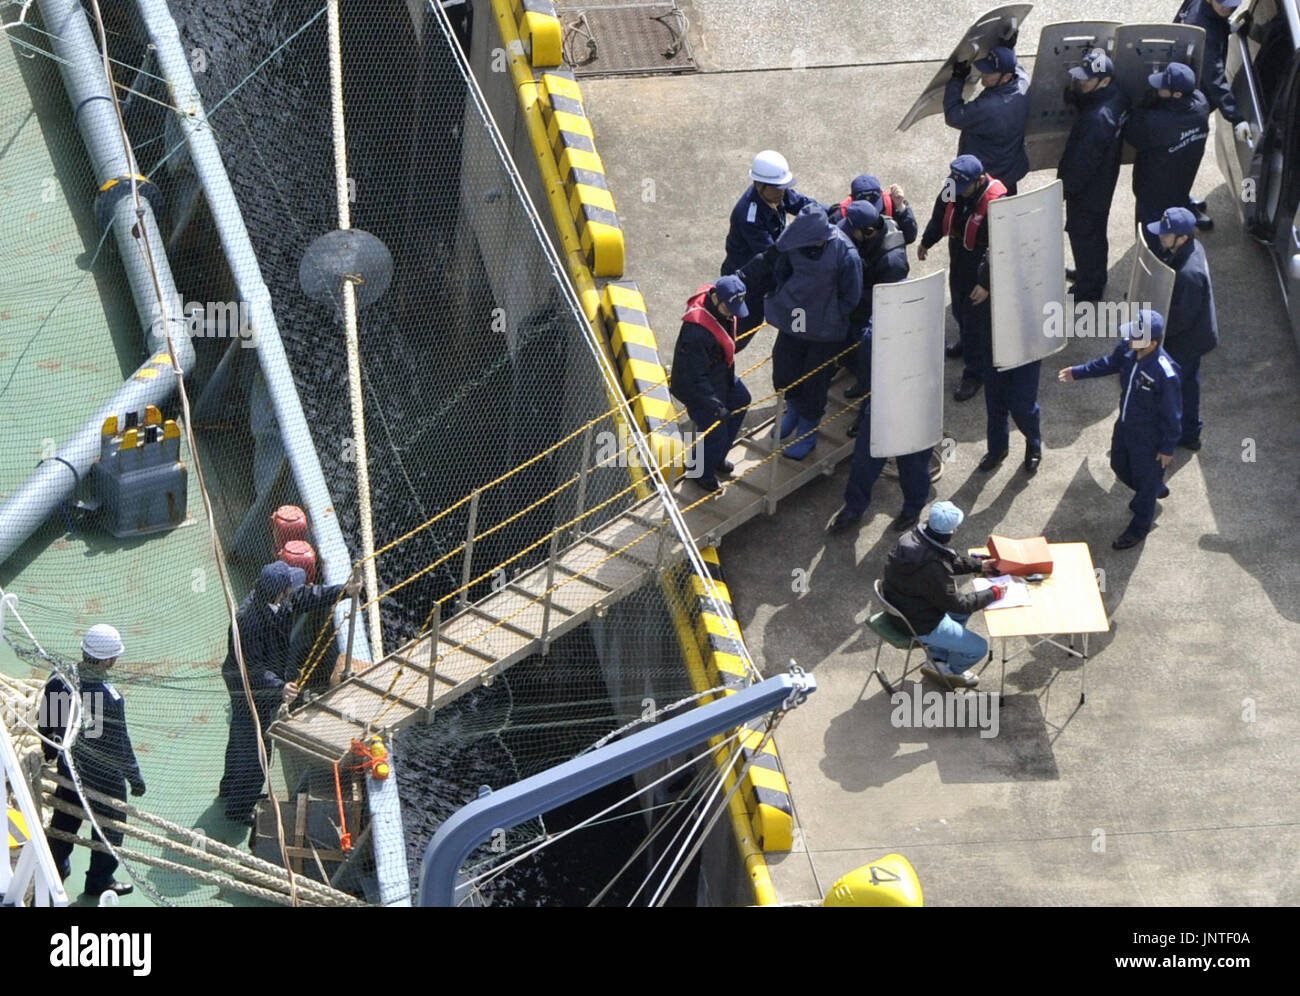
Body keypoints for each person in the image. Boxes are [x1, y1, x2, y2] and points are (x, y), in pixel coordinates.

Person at [220, 561, 359, 824]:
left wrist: (344, 591)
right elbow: (250, 668)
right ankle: (239, 809)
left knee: (240, 738)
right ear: (279, 591)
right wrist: (278, 686)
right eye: (290, 587)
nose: (294, 590)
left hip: (263, 684)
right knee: (257, 750)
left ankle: (229, 789)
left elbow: (308, 595)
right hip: (248, 690)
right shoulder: (247, 621)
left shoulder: (280, 599)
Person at [744, 203, 862, 460]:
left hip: (825, 331)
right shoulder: (794, 243)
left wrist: (829, 313)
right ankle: (793, 410)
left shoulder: (845, 253)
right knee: (785, 367)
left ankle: (808, 429)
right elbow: (780, 270)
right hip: (795, 320)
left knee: (815, 380)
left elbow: (851, 296)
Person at [1058, 309, 1182, 550]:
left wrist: (1167, 447)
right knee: (1119, 465)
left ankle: (1139, 527)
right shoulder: (1128, 349)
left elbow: (1173, 414)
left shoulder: (1165, 372)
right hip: (1125, 427)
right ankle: (1154, 486)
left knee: (1145, 489)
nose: (1129, 338)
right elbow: (1108, 364)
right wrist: (1078, 372)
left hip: (1150, 439)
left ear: (1151, 343)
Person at [40, 624, 143, 898]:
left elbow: (48, 725)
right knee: (110, 828)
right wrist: (135, 778)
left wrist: (49, 753)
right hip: (104, 779)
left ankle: (54, 870)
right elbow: (120, 745)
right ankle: (100, 880)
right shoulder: (109, 698)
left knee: (64, 818)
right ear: (110, 659)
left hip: (70, 769)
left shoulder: (59, 678)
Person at [881, 501, 1005, 688]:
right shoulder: (933, 569)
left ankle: (938, 658)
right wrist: (993, 593)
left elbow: (945, 561)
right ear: (951, 532)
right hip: (921, 623)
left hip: (903, 608)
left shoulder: (911, 539)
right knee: (979, 648)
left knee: (961, 613)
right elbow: (959, 604)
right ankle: (948, 672)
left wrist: (978, 565)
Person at [919, 155, 1007, 402]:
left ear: (979, 180)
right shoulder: (954, 187)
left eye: (964, 187)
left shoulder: (996, 203)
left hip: (979, 264)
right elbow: (939, 214)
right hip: (959, 256)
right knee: (958, 306)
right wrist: (927, 240)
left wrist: (986, 283)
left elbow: (1000, 246)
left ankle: (975, 372)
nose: (959, 192)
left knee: (976, 321)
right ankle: (965, 340)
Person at [668, 274, 753, 493]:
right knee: (716, 431)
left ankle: (715, 458)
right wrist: (715, 405)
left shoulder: (723, 309)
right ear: (716, 299)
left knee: (742, 400)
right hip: (697, 388)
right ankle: (700, 473)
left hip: (718, 375)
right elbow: (693, 378)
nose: (732, 314)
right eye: (728, 309)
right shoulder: (696, 332)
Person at [721, 150, 821, 334]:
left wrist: (832, 214)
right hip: (749, 283)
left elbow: (803, 204)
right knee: (739, 331)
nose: (782, 192)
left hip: (768, 273)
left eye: (783, 187)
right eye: (777, 187)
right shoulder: (748, 217)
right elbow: (772, 253)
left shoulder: (777, 193)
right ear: (759, 185)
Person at [1058, 49, 1130, 302]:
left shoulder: (1097, 120)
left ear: (1104, 81)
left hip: (1088, 190)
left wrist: (1064, 191)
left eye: (1086, 79)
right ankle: (1092, 274)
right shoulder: (1117, 97)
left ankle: (1088, 290)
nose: (1081, 82)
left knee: (1083, 234)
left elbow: (1082, 163)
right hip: (1103, 184)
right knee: (1095, 235)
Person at [1175, 0, 1254, 228]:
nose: (1229, 9)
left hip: (1186, 94)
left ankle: (1181, 198)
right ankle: (1181, 207)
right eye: (1225, 6)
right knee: (1185, 160)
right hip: (1190, 106)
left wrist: (1226, 26)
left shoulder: (1203, 8)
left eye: (1233, 5)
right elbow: (1214, 78)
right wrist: (1236, 117)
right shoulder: (1204, 30)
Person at [1146, 207, 1218, 450]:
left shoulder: (1189, 274)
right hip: (1194, 334)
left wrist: (1152, 332)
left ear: (1182, 238)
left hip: (1187, 340)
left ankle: (1184, 435)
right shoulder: (1190, 249)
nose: (1161, 237)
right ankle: (1189, 432)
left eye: (1166, 235)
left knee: (1177, 389)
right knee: (1187, 385)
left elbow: (1180, 319)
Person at [1124, 62, 1210, 229]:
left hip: (1152, 191)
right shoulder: (1201, 105)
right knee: (1176, 230)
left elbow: (1132, 136)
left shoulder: (1156, 122)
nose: (1158, 89)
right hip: (1182, 184)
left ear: (1177, 94)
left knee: (1152, 236)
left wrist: (1143, 107)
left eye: (1163, 87)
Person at [837, 199, 909, 398]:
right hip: (866, 293)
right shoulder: (879, 224)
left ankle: (866, 383)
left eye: (854, 232)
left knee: (868, 345)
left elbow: (887, 299)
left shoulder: (892, 261)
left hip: (877, 306)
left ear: (868, 231)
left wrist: (850, 296)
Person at [828, 402, 932, 535]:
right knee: (864, 463)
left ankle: (912, 509)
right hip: (883, 402)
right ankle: (853, 508)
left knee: (914, 467)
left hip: (919, 406)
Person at [944, 45, 1031, 195]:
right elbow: (1015, 66)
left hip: (982, 181)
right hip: (1009, 170)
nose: (984, 74)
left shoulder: (989, 108)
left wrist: (957, 79)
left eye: (991, 72)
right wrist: (1007, 49)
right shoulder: (1023, 82)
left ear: (1006, 77)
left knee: (954, 206)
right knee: (1007, 213)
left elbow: (953, 116)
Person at [827, 174, 918, 245]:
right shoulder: (839, 216)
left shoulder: (894, 205)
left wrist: (900, 207)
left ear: (882, 193)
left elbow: (909, 237)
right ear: (851, 199)